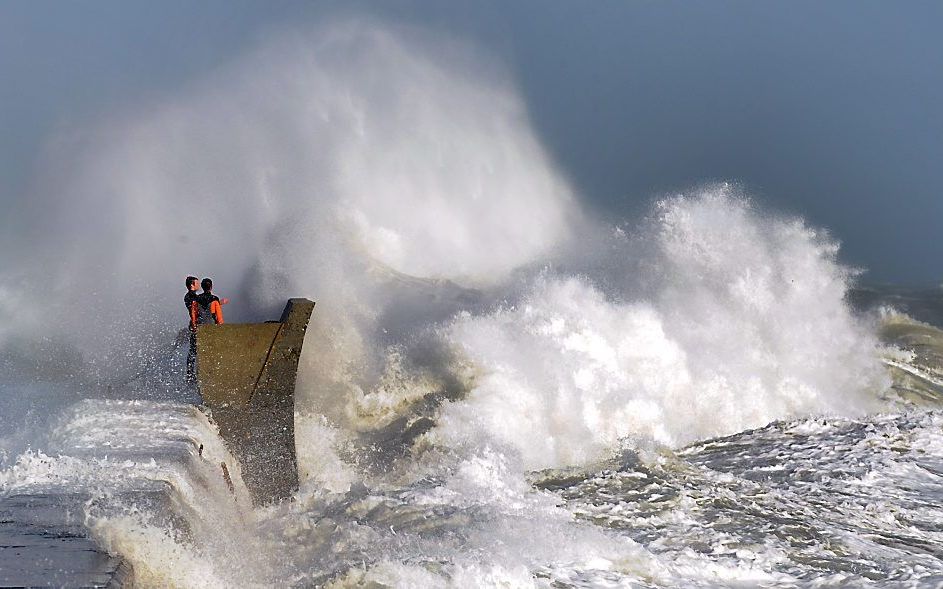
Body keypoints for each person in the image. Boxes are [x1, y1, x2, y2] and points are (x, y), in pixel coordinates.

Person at [184, 276, 199, 382]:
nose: (199, 285)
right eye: (197, 283)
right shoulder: (191, 296)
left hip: (194, 324)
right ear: (192, 285)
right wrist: (219, 303)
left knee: (193, 350)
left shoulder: (191, 296)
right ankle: (190, 374)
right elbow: (196, 309)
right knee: (193, 350)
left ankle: (191, 373)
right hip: (195, 325)